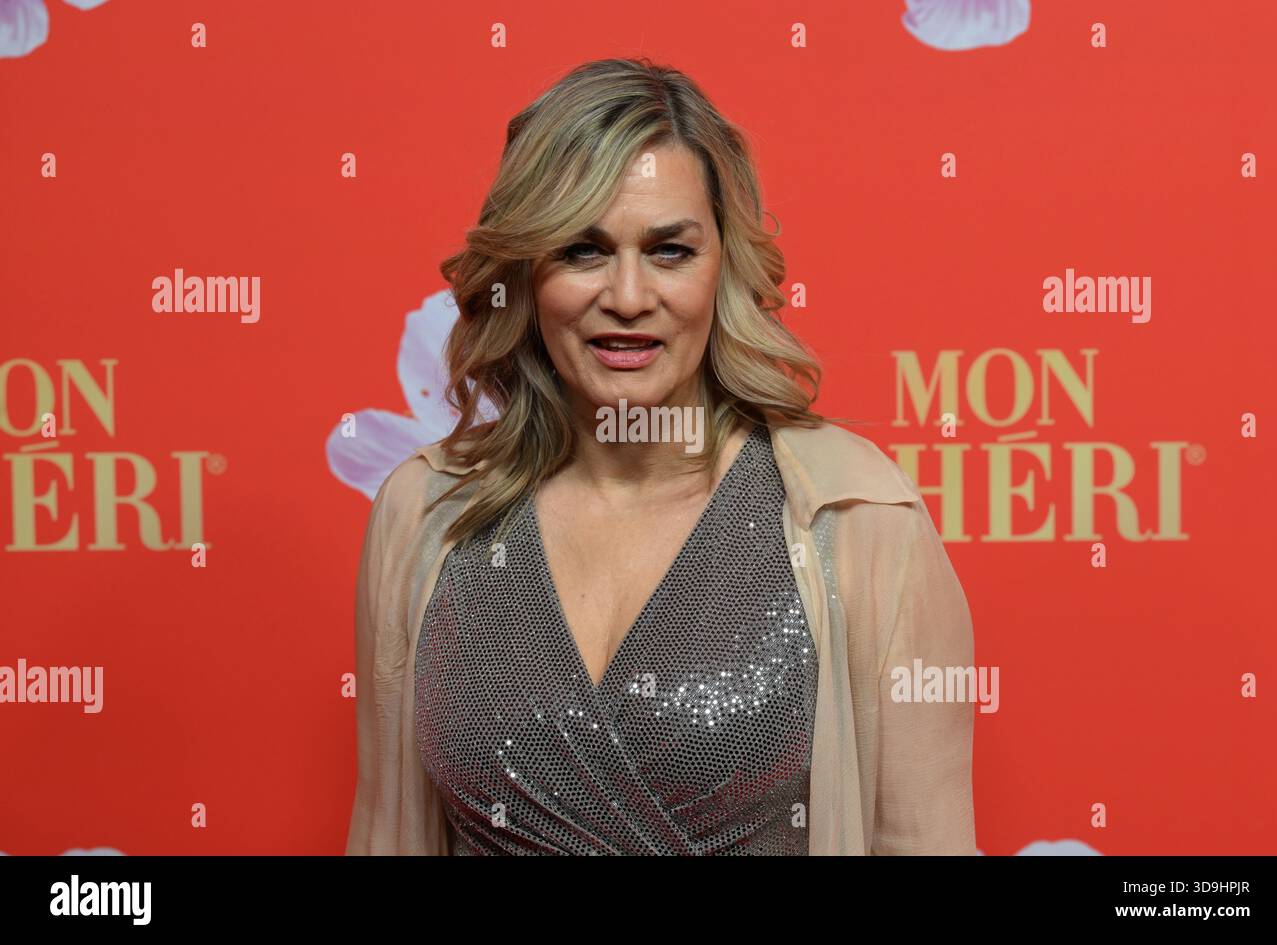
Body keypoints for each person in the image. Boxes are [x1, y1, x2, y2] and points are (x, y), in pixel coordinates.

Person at [345, 58, 976, 855]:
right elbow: (384, 832)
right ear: (526, 272)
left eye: (670, 251)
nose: (630, 296)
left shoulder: (852, 518)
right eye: (582, 249)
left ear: (724, 269)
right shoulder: (426, 512)